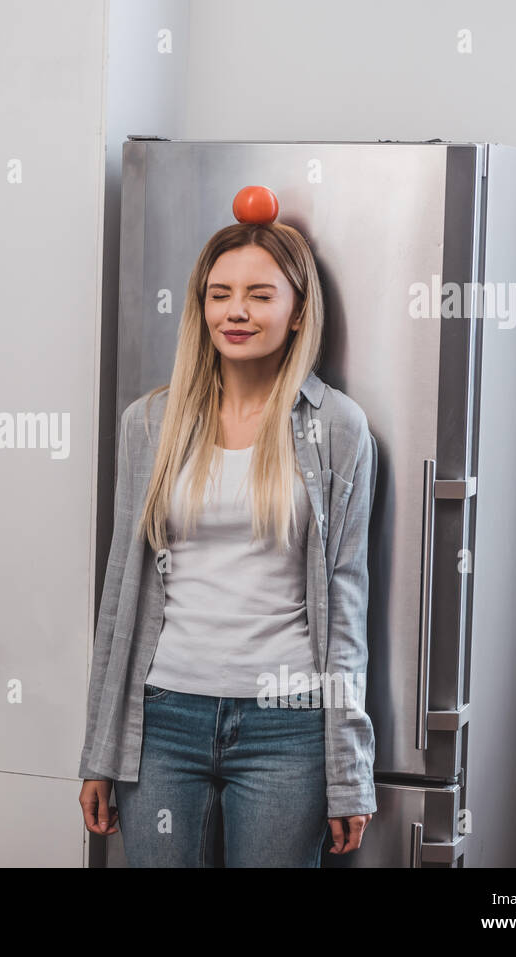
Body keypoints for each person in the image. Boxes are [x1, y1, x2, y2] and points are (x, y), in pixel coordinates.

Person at [78, 222, 377, 866]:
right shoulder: (149, 423)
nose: (236, 311)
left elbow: (347, 604)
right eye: (220, 294)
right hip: (161, 724)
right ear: (201, 306)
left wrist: (348, 768)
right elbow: (121, 592)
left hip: (288, 725)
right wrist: (100, 749)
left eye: (261, 295)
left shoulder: (339, 430)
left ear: (298, 313)